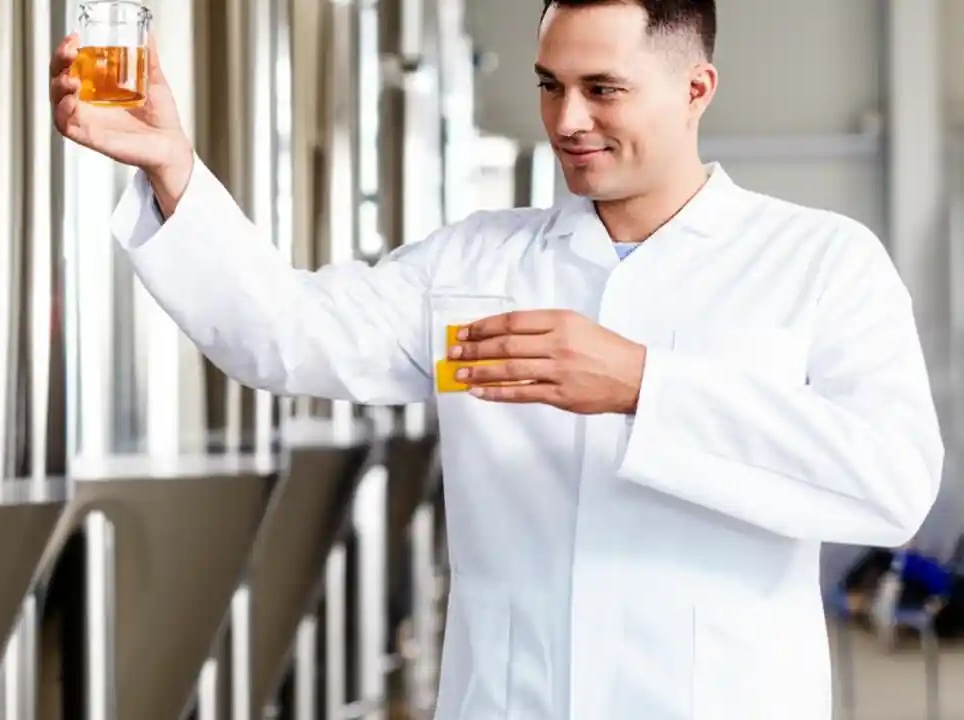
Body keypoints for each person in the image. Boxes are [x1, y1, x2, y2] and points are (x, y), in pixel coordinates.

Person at [50, 0, 944, 718]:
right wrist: (173, 167)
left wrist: (642, 385)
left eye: (604, 88)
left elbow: (892, 485)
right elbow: (284, 333)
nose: (568, 119)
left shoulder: (818, 260)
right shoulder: (479, 261)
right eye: (550, 85)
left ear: (696, 88)